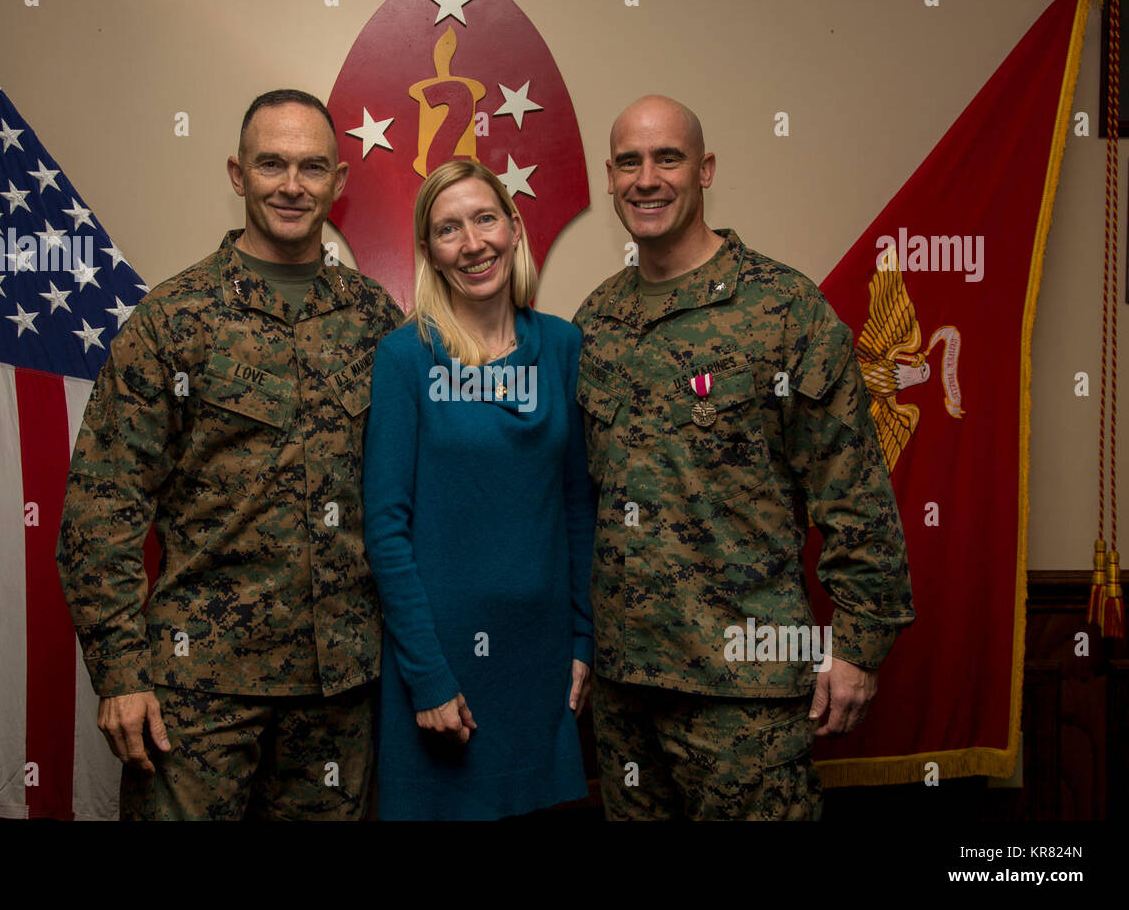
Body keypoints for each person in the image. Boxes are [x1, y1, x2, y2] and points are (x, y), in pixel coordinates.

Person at [56, 88, 403, 820]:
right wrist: (120, 671)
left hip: (338, 691)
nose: (291, 185)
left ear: (338, 183)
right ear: (237, 174)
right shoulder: (173, 319)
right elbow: (102, 506)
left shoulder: (374, 318)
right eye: (270, 164)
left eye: (312, 167)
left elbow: (414, 490)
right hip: (198, 690)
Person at [574, 95, 915, 820]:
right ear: (609, 177)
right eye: (629, 162)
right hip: (625, 686)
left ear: (705, 170)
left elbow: (853, 493)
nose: (647, 178)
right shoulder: (596, 323)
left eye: (668, 157)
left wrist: (858, 648)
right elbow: (574, 499)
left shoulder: (785, 308)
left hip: (745, 687)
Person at [363, 160, 594, 820]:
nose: (472, 244)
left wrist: (583, 642)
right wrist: (428, 677)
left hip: (543, 667)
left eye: (486, 218)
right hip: (443, 666)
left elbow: (578, 504)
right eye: (448, 229)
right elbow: (386, 527)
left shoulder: (562, 347)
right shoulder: (406, 358)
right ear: (429, 252)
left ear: (515, 228)